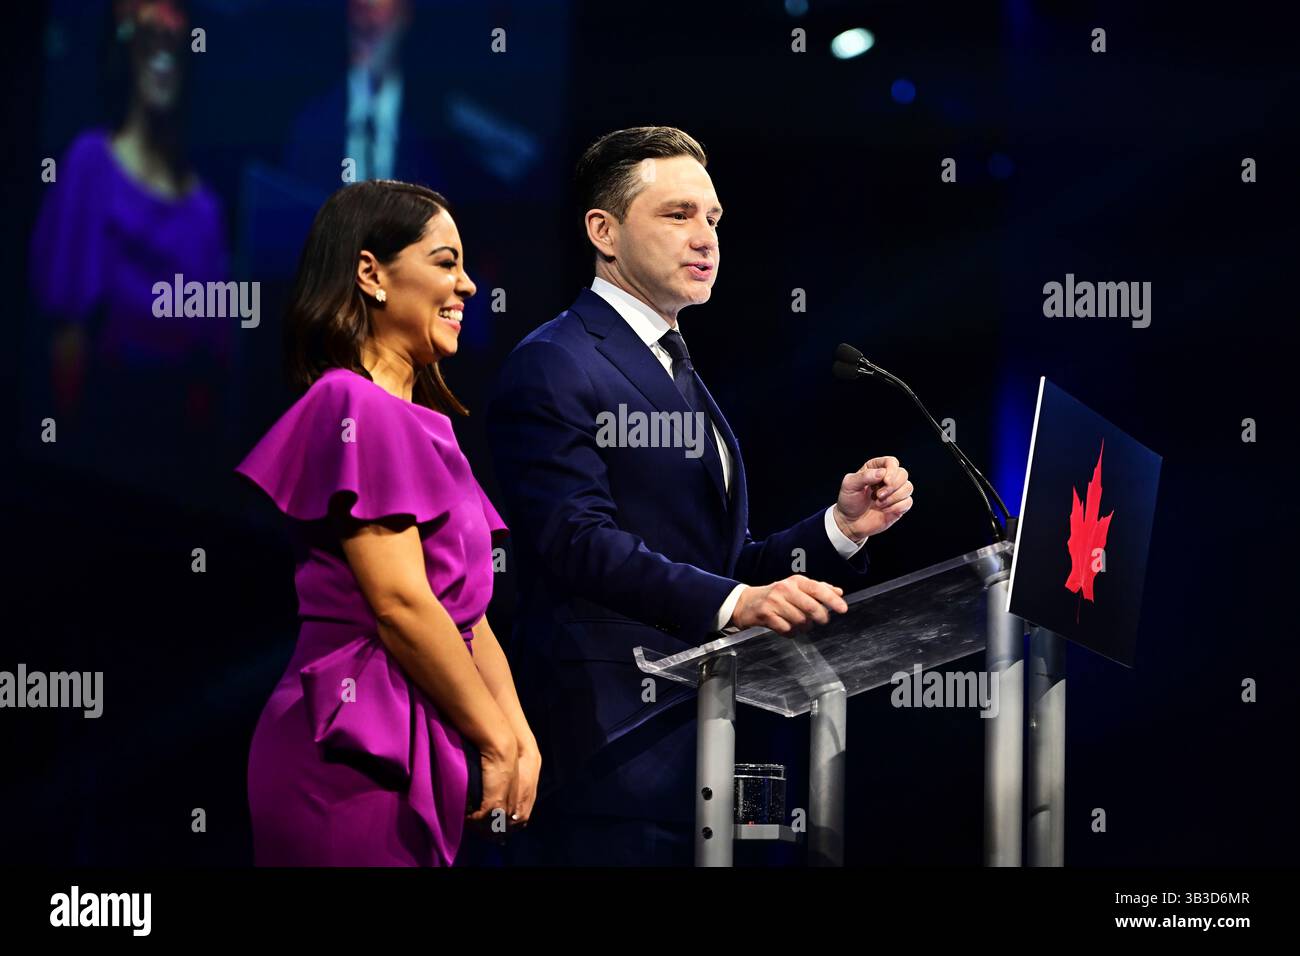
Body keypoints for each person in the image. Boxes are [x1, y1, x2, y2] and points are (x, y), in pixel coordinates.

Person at [486, 127, 915, 865]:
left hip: (706, 756)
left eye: (713, 219)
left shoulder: (679, 372)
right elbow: (576, 541)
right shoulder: (556, 362)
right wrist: (732, 604)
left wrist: (840, 529)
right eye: (678, 214)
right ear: (604, 231)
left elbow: (721, 561)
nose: (706, 238)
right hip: (610, 755)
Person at [235, 179, 539, 866]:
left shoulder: (431, 430)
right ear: (371, 273)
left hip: (427, 736)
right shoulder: (351, 402)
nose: (466, 285)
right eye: (444, 261)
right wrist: (493, 737)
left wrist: (520, 736)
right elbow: (402, 605)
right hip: (347, 751)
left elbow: (471, 618)